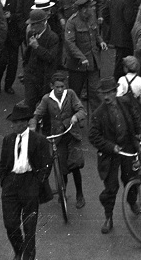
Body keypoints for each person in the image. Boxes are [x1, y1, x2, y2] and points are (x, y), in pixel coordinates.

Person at [89, 77, 141, 235]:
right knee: (111, 187)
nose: (106, 96)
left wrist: (139, 134)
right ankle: (108, 217)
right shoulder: (98, 113)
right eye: (103, 93)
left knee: (131, 179)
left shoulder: (125, 102)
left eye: (109, 93)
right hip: (110, 154)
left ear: (115, 92)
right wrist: (111, 147)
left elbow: (135, 117)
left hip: (127, 148)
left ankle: (132, 203)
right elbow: (93, 136)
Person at [0, 103, 51, 260]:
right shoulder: (8, 140)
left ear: (24, 122)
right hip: (11, 183)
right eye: (12, 122)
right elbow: (3, 164)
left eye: (16, 122)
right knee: (10, 223)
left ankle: (28, 257)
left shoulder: (39, 140)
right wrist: (5, 180)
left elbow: (46, 165)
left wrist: (37, 183)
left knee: (29, 227)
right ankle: (18, 249)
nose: (13, 125)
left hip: (30, 183)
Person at [34, 71, 87, 208]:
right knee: (62, 168)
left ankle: (79, 195)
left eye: (62, 86)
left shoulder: (70, 95)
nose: (60, 89)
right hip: (58, 137)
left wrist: (76, 117)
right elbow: (38, 114)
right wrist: (33, 125)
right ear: (52, 86)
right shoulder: (47, 99)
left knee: (75, 166)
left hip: (72, 134)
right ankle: (62, 193)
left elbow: (81, 110)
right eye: (57, 87)